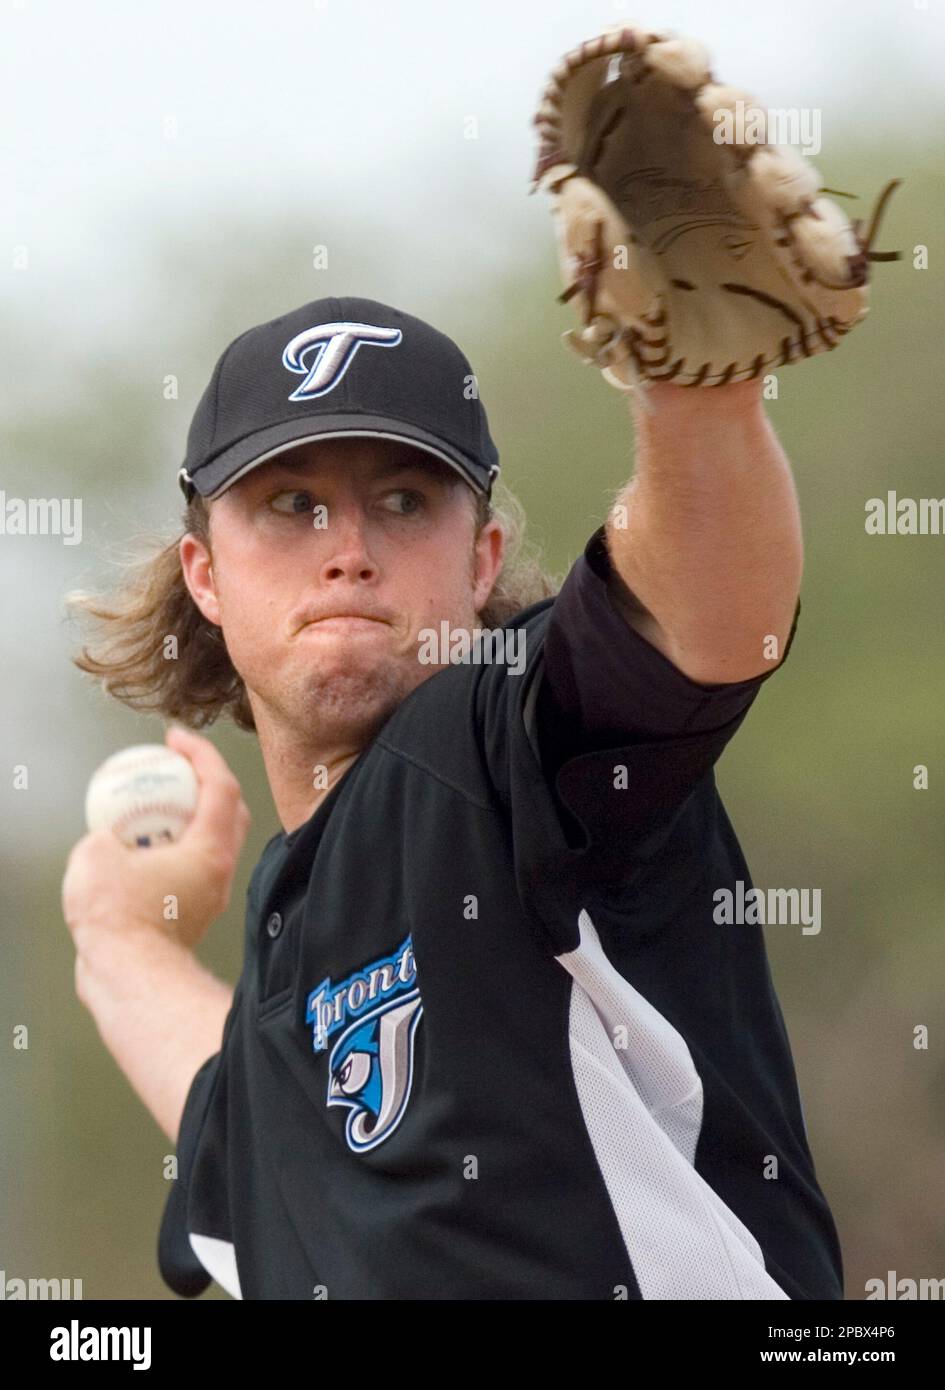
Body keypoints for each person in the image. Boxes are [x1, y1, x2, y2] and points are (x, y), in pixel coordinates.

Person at [61, 295, 843, 1300]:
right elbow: (233, 1135)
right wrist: (120, 933)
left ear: (481, 560)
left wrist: (699, 389)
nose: (349, 545)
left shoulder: (506, 744)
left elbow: (699, 623)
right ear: (205, 575)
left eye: (403, 501)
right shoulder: (285, 945)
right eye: (292, 504)